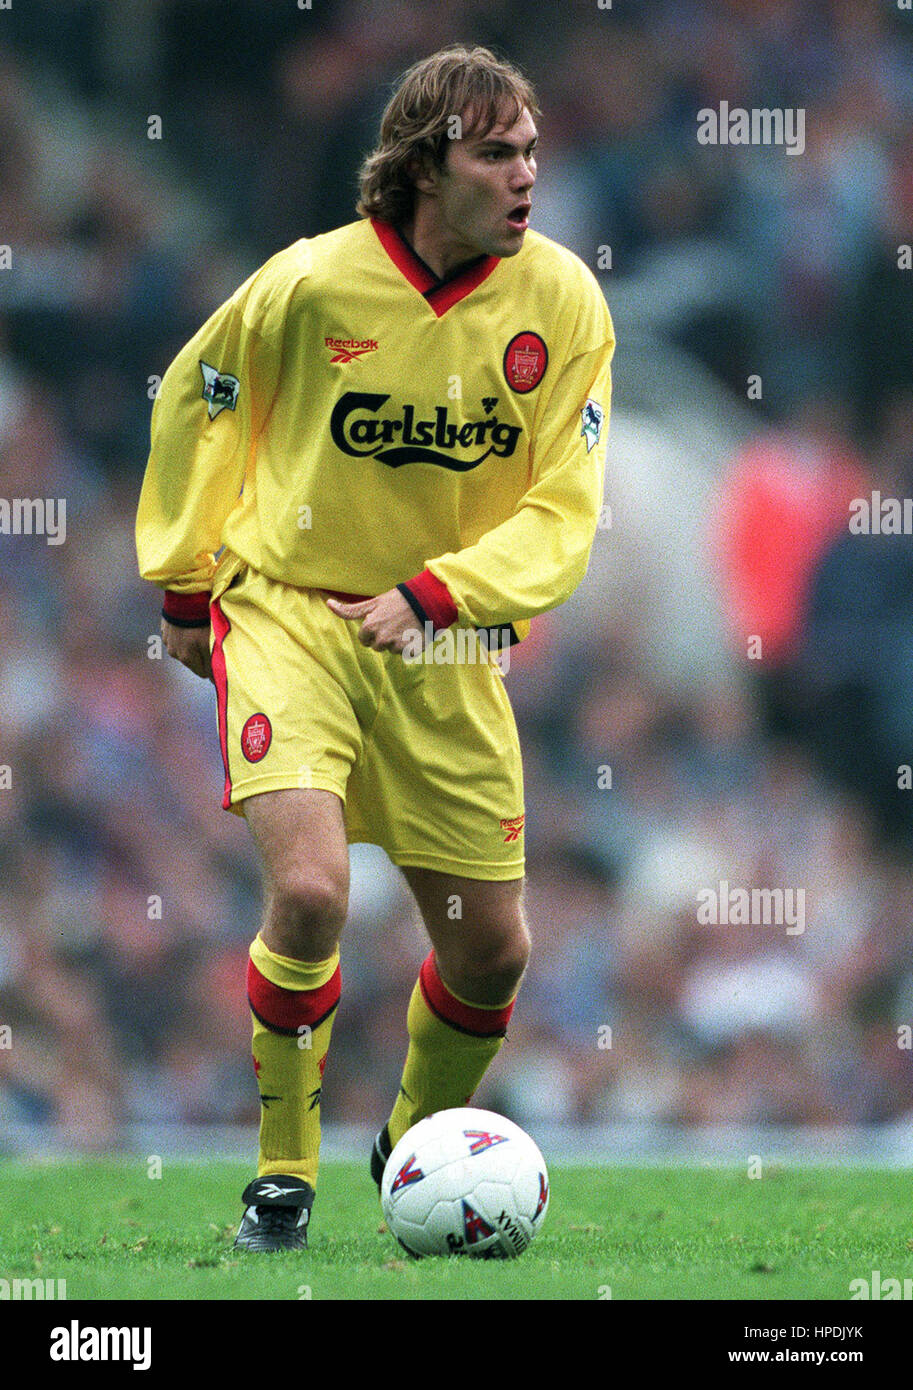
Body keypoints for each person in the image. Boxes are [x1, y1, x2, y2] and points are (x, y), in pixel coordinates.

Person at [135, 44, 615, 1252]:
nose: (524, 178)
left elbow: (566, 505)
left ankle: (407, 1142)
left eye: (530, 154)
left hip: (443, 645)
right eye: (496, 153)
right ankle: (281, 1176)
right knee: (307, 890)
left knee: (493, 952)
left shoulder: (561, 303)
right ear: (423, 165)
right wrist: (188, 580)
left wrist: (441, 593)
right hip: (293, 611)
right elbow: (202, 396)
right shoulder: (307, 285)